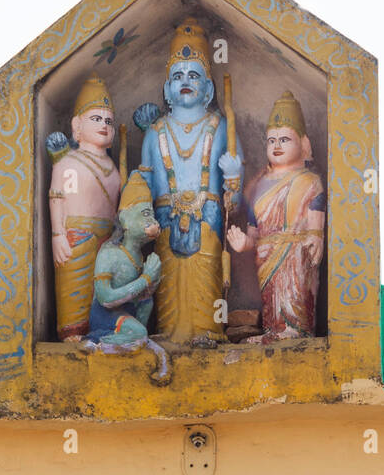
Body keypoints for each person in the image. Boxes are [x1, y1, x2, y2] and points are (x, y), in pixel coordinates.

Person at [136, 18, 242, 345]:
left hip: (208, 216)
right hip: (166, 219)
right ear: (167, 87)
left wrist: (234, 176)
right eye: (177, 76)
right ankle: (169, 333)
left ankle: (209, 331)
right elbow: (144, 189)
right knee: (166, 279)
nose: (185, 82)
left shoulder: (219, 125)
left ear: (208, 89)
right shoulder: (155, 134)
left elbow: (232, 201)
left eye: (194, 75)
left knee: (206, 273)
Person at [227, 90, 325, 341]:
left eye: (285, 139)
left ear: (303, 144)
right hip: (266, 254)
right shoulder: (258, 185)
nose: (277, 146)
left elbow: (315, 215)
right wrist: (243, 244)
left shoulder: (309, 181)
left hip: (297, 251)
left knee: (296, 291)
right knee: (271, 296)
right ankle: (273, 329)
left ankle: (298, 329)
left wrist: (316, 236)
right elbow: (253, 232)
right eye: (271, 140)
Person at [48, 75, 121, 340]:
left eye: (108, 120)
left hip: (106, 242)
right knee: (74, 291)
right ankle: (72, 334)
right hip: (75, 238)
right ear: (77, 125)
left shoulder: (113, 169)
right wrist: (57, 234)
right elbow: (57, 197)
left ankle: (100, 333)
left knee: (102, 294)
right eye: (96, 118)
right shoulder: (69, 162)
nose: (103, 124)